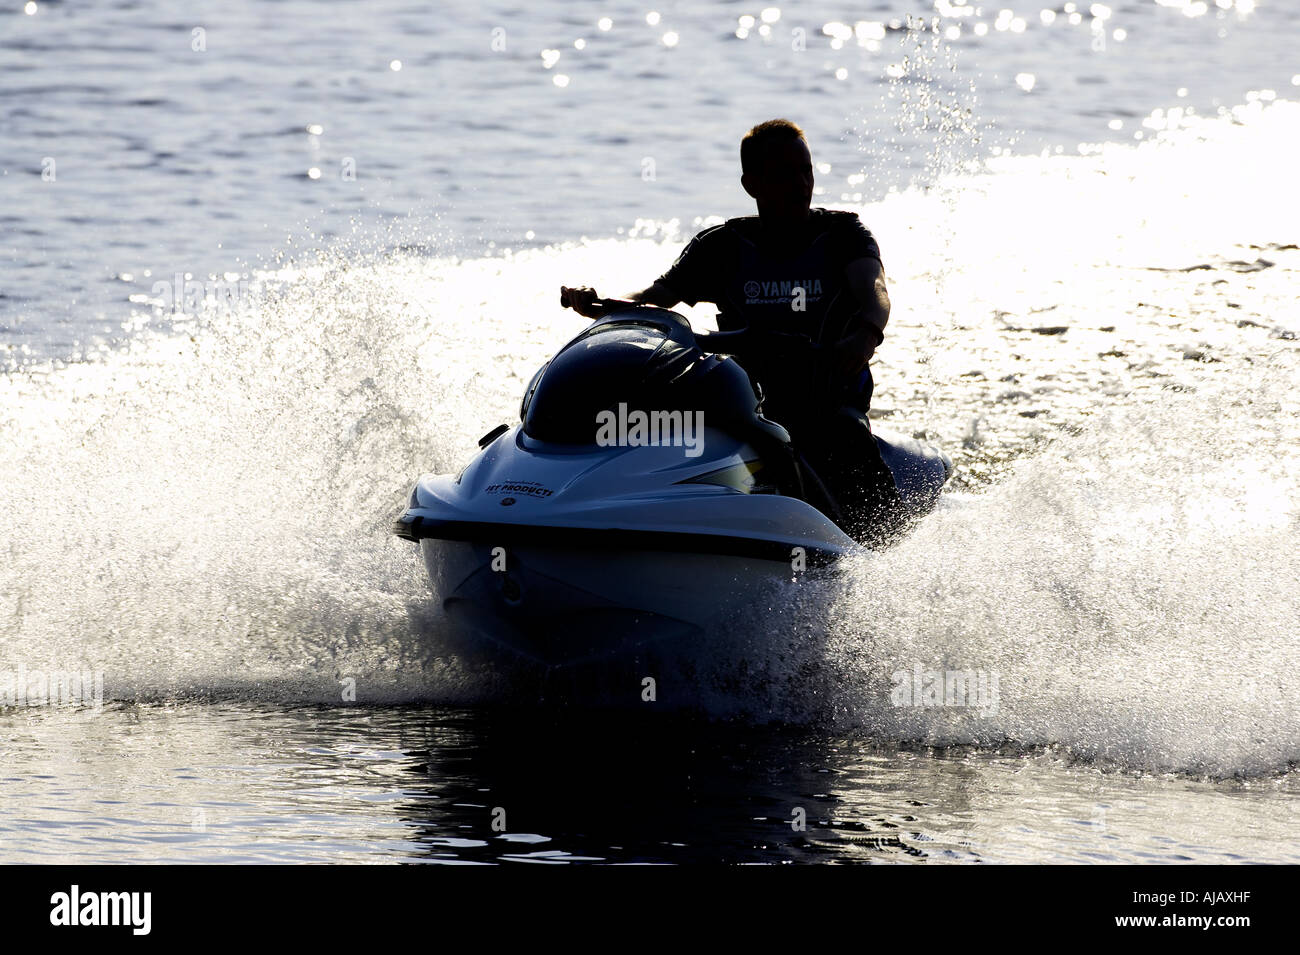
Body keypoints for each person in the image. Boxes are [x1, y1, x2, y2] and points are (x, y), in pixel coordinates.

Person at [561, 118, 902, 544]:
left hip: (825, 405)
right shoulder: (722, 247)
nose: (800, 184)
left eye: (806, 170)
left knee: (845, 452)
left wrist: (867, 333)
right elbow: (655, 297)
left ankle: (879, 556)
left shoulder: (843, 236)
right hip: (745, 405)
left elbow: (874, 290)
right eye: (783, 174)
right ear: (751, 184)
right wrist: (603, 304)